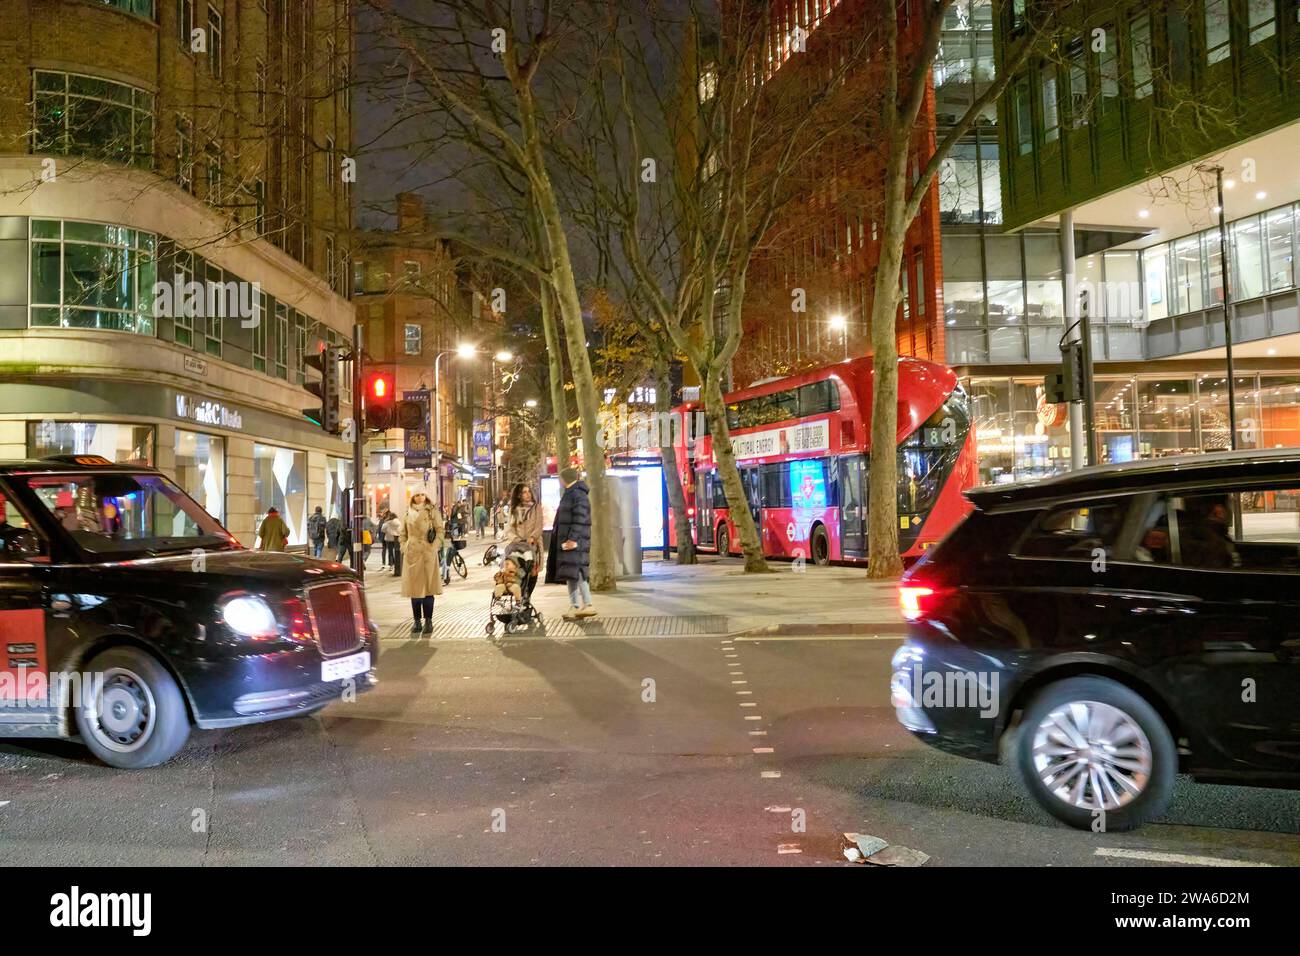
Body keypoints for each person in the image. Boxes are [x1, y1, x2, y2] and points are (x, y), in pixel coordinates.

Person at [400, 489, 444, 634]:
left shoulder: (432, 512)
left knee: (428, 590)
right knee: (415, 590)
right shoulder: (407, 513)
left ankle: (429, 621)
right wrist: (404, 547)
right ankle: (417, 621)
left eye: (422, 495)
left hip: (427, 553)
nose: (420, 498)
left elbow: (440, 530)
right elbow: (403, 533)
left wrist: (434, 546)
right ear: (413, 497)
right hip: (412, 553)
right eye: (417, 495)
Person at [554, 467, 595, 620]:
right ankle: (576, 606)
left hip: (575, 543)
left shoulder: (576, 494)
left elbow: (579, 518)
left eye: (560, 478)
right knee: (571, 573)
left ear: (565, 479)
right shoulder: (572, 493)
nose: (560, 481)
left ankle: (588, 604)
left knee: (577, 573)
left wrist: (572, 538)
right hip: (571, 541)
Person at [503, 482, 544, 601]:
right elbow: (509, 528)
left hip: (533, 545)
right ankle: (519, 597)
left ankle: (527, 597)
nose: (528, 494)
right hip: (518, 546)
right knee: (518, 571)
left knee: (533, 572)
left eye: (529, 492)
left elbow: (539, 525)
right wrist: (515, 539)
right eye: (524, 492)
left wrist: (532, 537)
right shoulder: (514, 509)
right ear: (519, 495)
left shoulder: (536, 507)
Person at [1179, 495, 1240, 569]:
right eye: (1229, 505)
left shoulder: (1197, 534)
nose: (1230, 511)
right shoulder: (1214, 543)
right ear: (1218, 511)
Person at [383, 510, 402, 576]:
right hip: (396, 538)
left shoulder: (387, 523)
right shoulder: (398, 522)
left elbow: (383, 529)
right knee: (397, 552)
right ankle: (397, 566)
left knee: (390, 552)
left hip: (388, 538)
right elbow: (400, 530)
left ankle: (391, 564)